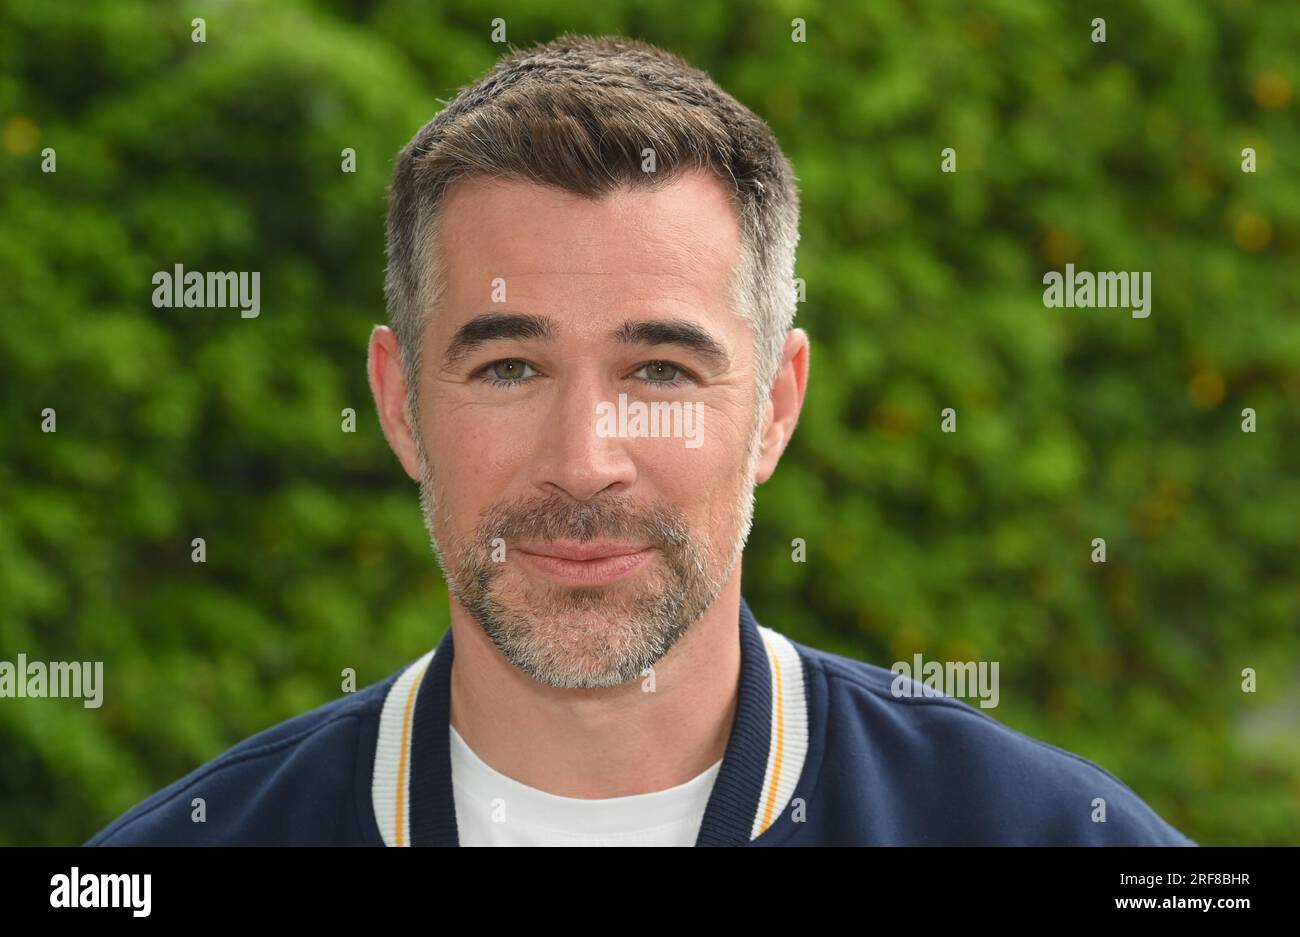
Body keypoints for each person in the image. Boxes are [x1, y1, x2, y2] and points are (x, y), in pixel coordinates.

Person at [88, 34, 1193, 847]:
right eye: (508, 366)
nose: (585, 456)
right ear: (399, 401)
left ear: (773, 405)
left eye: (659, 369)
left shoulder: (1063, 839)